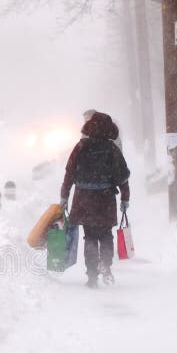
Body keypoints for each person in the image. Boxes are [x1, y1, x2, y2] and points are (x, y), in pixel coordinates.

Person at [60, 111, 131, 288]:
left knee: (90, 237)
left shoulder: (81, 146)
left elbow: (69, 173)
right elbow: (122, 176)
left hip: (84, 199)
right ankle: (106, 264)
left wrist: (64, 195)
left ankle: (92, 277)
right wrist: (125, 198)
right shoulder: (111, 149)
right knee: (106, 235)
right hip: (105, 199)